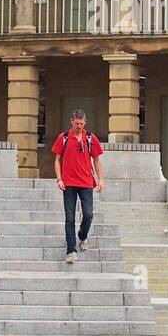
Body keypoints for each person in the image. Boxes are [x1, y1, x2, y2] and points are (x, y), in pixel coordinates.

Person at [53, 110, 104, 263]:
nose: (79, 126)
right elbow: (57, 160)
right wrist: (58, 179)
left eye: (81, 124)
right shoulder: (64, 138)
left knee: (88, 214)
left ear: (85, 122)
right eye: (76, 123)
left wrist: (101, 179)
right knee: (70, 218)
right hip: (68, 183)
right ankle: (71, 251)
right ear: (71, 121)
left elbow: (96, 160)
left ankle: (82, 236)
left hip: (86, 182)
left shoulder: (90, 138)